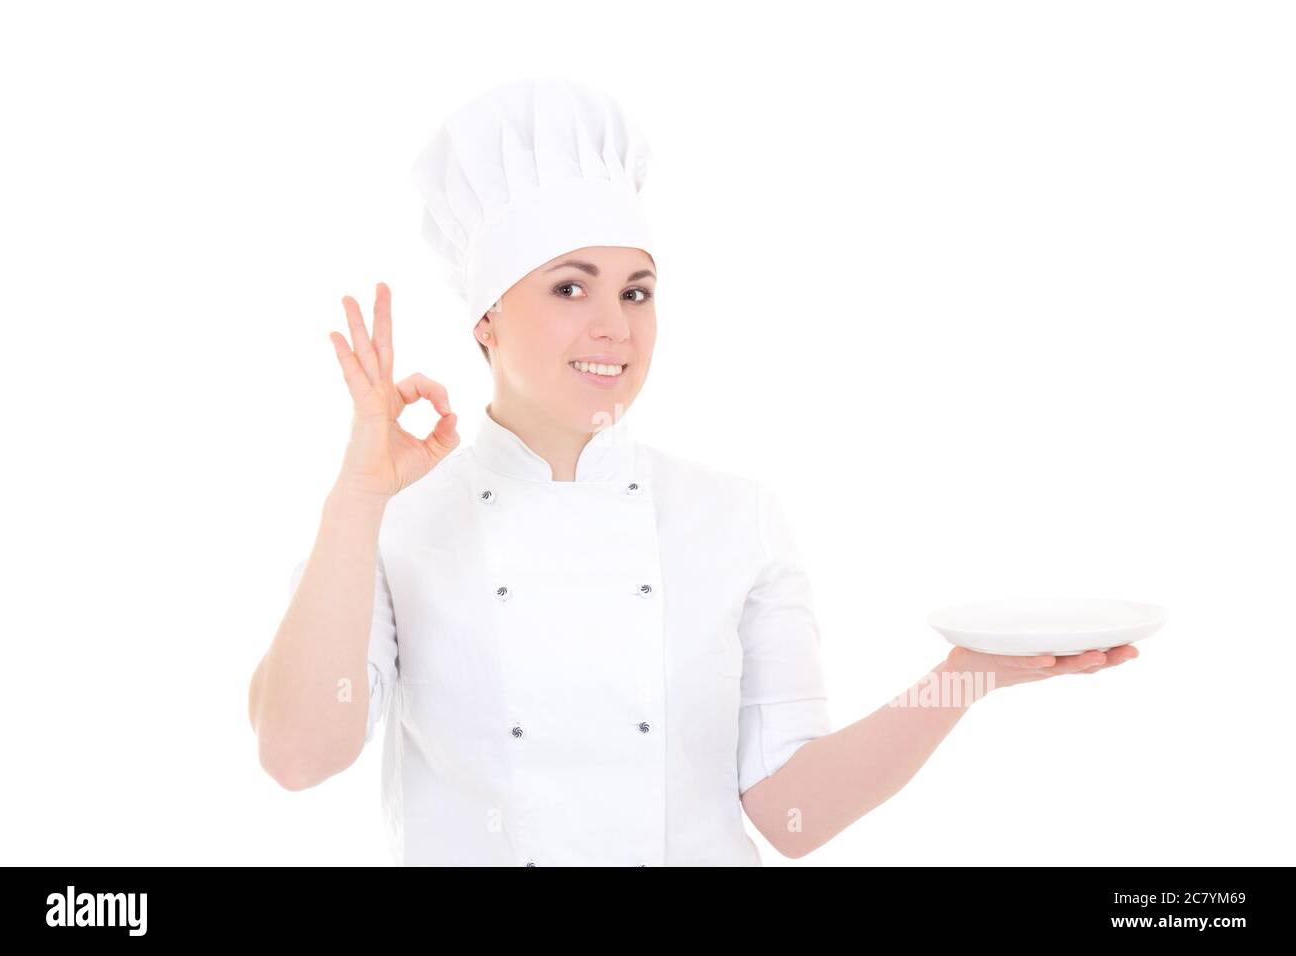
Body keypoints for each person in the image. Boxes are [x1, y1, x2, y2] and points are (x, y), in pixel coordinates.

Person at [247, 77, 1140, 866]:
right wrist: (358, 497)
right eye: (570, 287)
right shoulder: (392, 526)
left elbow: (791, 814)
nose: (616, 325)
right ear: (486, 317)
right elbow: (297, 757)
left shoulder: (732, 516)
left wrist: (965, 676)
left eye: (637, 291)